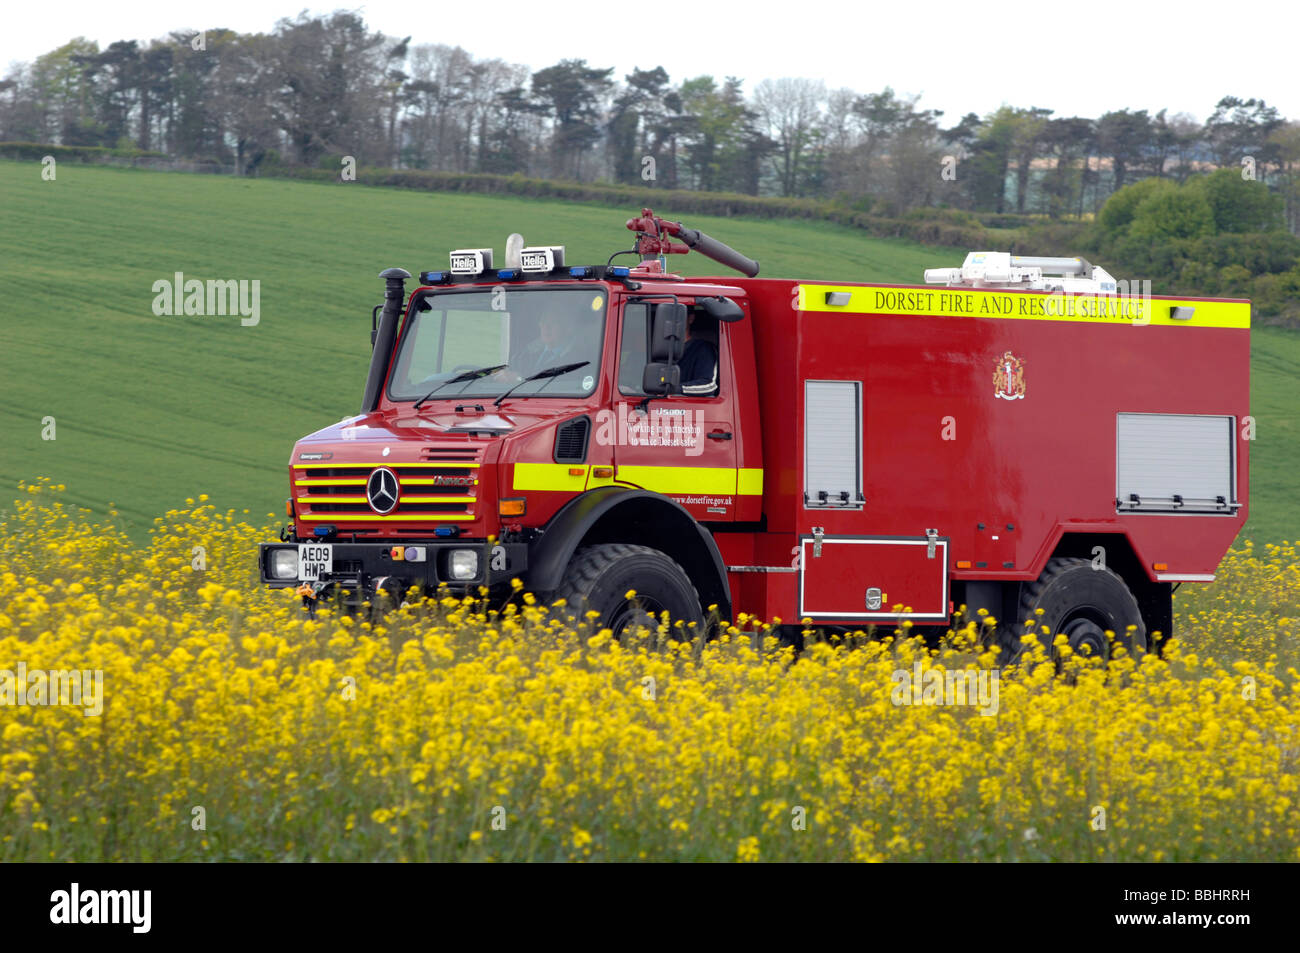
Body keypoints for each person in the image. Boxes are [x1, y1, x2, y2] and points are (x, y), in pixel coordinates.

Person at [679, 310, 719, 396]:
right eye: (667, 315)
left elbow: (708, 385)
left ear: (690, 318)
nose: (670, 321)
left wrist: (673, 389)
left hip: (689, 407)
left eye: (677, 314)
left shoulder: (703, 349)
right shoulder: (655, 350)